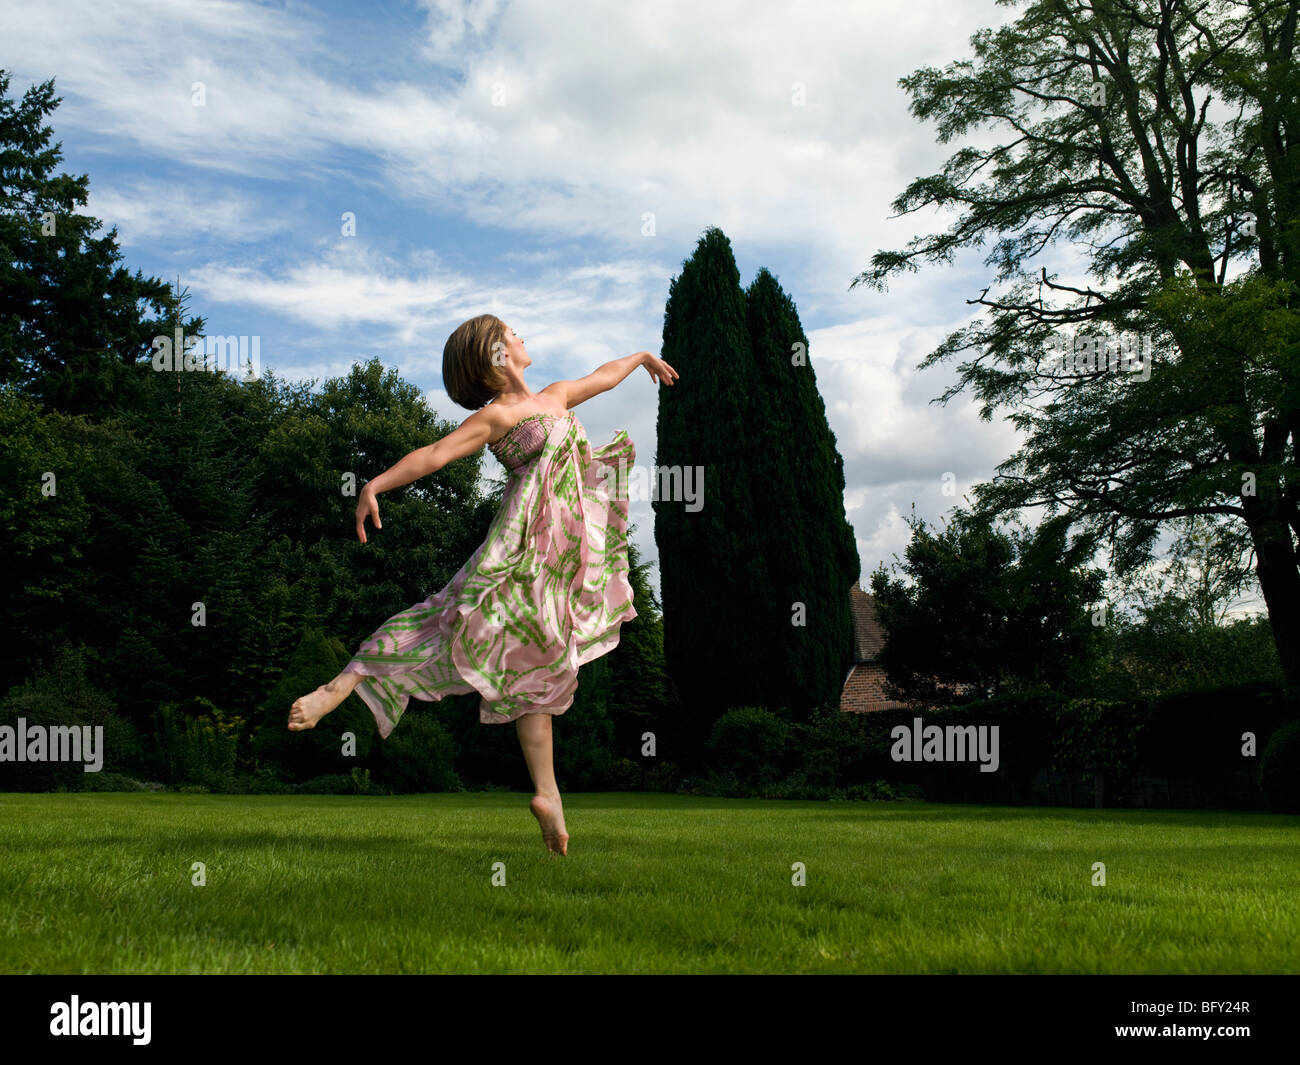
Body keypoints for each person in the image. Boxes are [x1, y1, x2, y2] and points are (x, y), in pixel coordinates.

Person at [287, 314, 678, 855]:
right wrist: (375, 483)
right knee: (443, 617)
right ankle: (344, 683)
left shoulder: (557, 395)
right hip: (518, 554)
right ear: (495, 355)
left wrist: (640, 358)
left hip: (558, 563)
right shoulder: (496, 417)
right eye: (512, 333)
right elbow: (434, 455)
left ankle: (548, 795)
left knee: (539, 670)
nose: (523, 336)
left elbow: (604, 375)